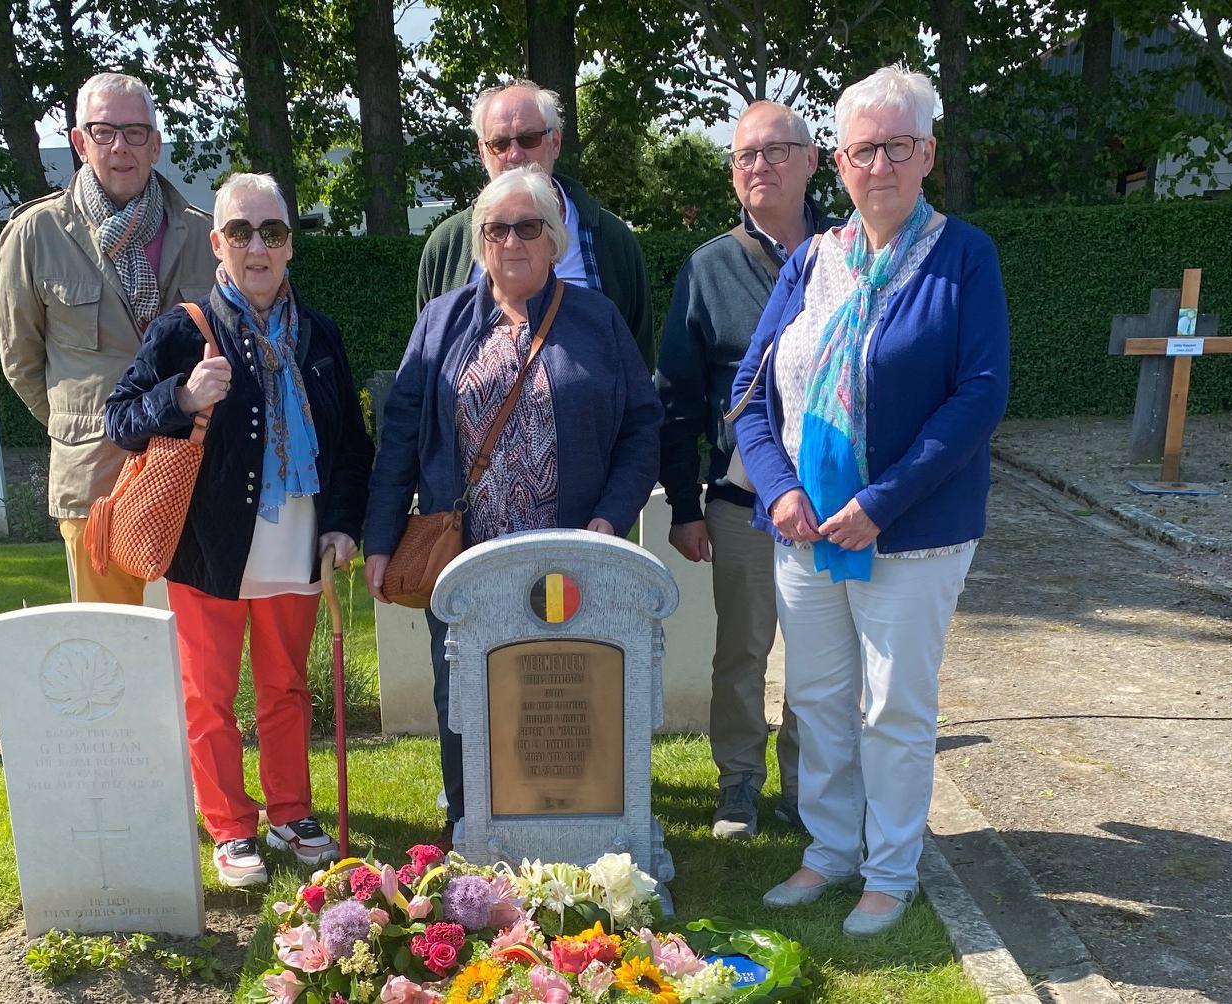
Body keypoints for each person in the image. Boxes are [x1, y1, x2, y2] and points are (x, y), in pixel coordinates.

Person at [731, 65, 1009, 936]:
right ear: (841, 162)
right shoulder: (811, 260)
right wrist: (779, 489)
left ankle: (890, 871)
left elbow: (979, 394)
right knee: (818, 699)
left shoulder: (963, 256)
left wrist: (883, 501)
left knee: (894, 709)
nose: (879, 165)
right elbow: (749, 392)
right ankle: (830, 852)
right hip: (806, 529)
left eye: (898, 147)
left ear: (927, 154)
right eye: (863, 150)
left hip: (912, 530)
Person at [365, 166, 662, 849]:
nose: (513, 242)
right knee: (465, 695)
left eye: (529, 227)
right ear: (479, 242)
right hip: (469, 561)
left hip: (571, 554)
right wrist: (380, 537)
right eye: (497, 229)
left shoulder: (597, 320)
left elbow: (642, 427)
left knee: (565, 693)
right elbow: (401, 435)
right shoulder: (441, 323)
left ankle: (576, 835)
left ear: (554, 240)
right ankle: (473, 833)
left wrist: (609, 518)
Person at [104, 172, 374, 888]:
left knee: (286, 688)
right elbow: (120, 419)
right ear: (217, 243)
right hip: (209, 549)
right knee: (210, 695)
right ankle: (229, 824)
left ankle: (290, 811)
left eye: (272, 232)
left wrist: (343, 524)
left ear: (290, 245)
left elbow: (351, 446)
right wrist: (182, 395)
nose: (258, 247)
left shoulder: (320, 334)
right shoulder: (182, 329)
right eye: (241, 232)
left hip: (298, 542)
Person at [655, 101, 838, 843]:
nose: (759, 167)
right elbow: (675, 394)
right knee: (742, 652)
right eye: (744, 156)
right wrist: (684, 506)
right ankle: (738, 783)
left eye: (775, 151)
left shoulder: (851, 251)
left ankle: (806, 786)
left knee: (821, 659)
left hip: (837, 504)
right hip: (742, 502)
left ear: (812, 160)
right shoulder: (708, 267)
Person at [0, 71, 216, 604]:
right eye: (104, 131)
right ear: (79, 141)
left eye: (135, 132)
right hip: (95, 479)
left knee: (197, 643)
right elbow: (20, 358)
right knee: (111, 643)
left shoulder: (203, 235)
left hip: (194, 468)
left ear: (155, 145)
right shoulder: (36, 235)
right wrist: (85, 424)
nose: (121, 146)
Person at [416, 79, 654, 367]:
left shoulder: (611, 240)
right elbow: (428, 364)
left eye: (528, 139)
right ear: (483, 152)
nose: (515, 155)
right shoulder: (447, 245)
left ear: (555, 143)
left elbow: (637, 365)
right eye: (500, 143)